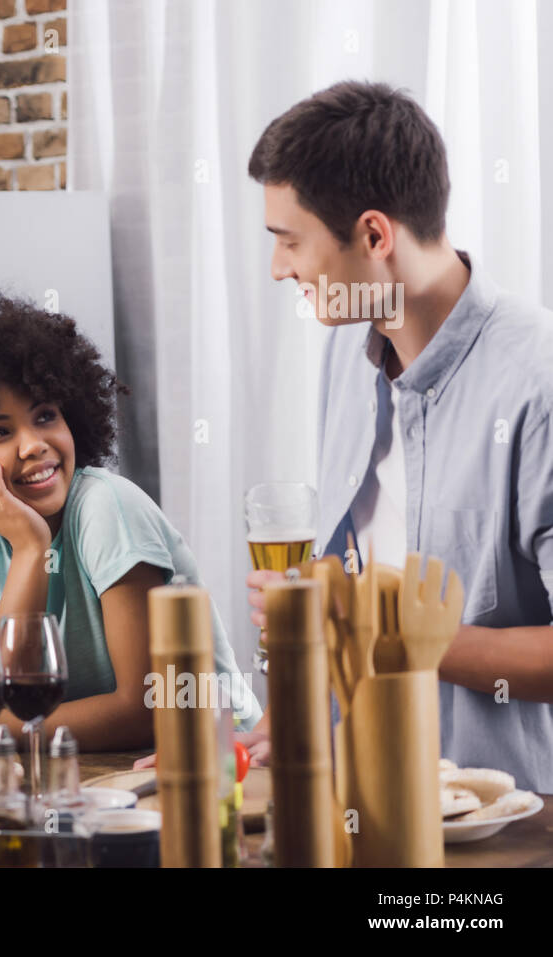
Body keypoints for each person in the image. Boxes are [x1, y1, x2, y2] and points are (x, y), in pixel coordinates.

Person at [245, 81, 553, 792]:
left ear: (375, 235)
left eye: (290, 241)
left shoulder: (535, 380)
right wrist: (283, 722)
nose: (278, 268)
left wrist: (390, 626)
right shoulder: (347, 355)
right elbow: (349, 591)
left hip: (509, 825)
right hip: (357, 795)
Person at [0, 297, 262, 750]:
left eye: (45, 416)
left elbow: (144, 711)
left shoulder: (107, 507)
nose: (34, 445)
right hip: (87, 773)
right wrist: (29, 549)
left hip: (213, 763)